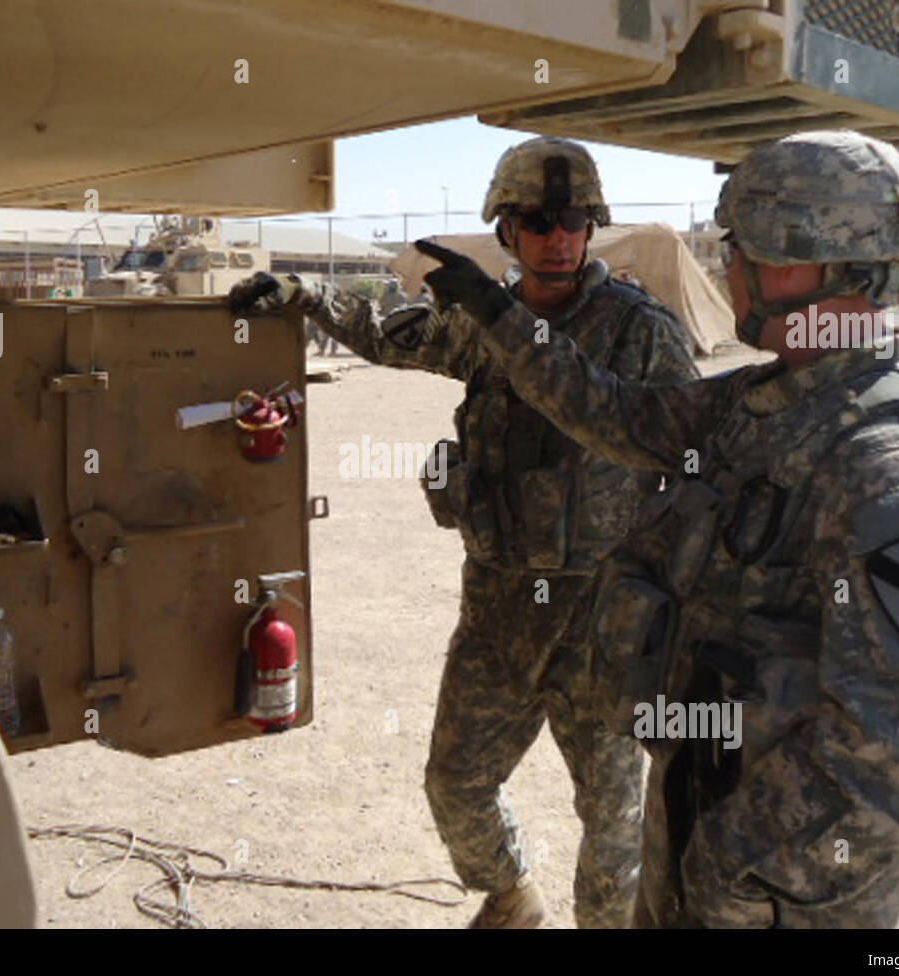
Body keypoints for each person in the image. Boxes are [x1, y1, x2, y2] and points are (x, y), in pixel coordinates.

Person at [416, 130, 899, 928]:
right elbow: (607, 409)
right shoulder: (762, 403)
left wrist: (732, 870)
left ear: (804, 262)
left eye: (742, 249)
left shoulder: (893, 468)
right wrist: (500, 313)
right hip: (705, 830)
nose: (728, 270)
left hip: (777, 895)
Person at [229, 137, 698, 928]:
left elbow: (693, 455)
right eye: (538, 219)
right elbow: (391, 333)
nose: (559, 236)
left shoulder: (638, 331)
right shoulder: (484, 320)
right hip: (499, 610)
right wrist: (304, 293)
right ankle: (513, 897)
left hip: (602, 619)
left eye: (575, 218)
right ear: (507, 229)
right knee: (456, 784)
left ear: (593, 226)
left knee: (614, 829)